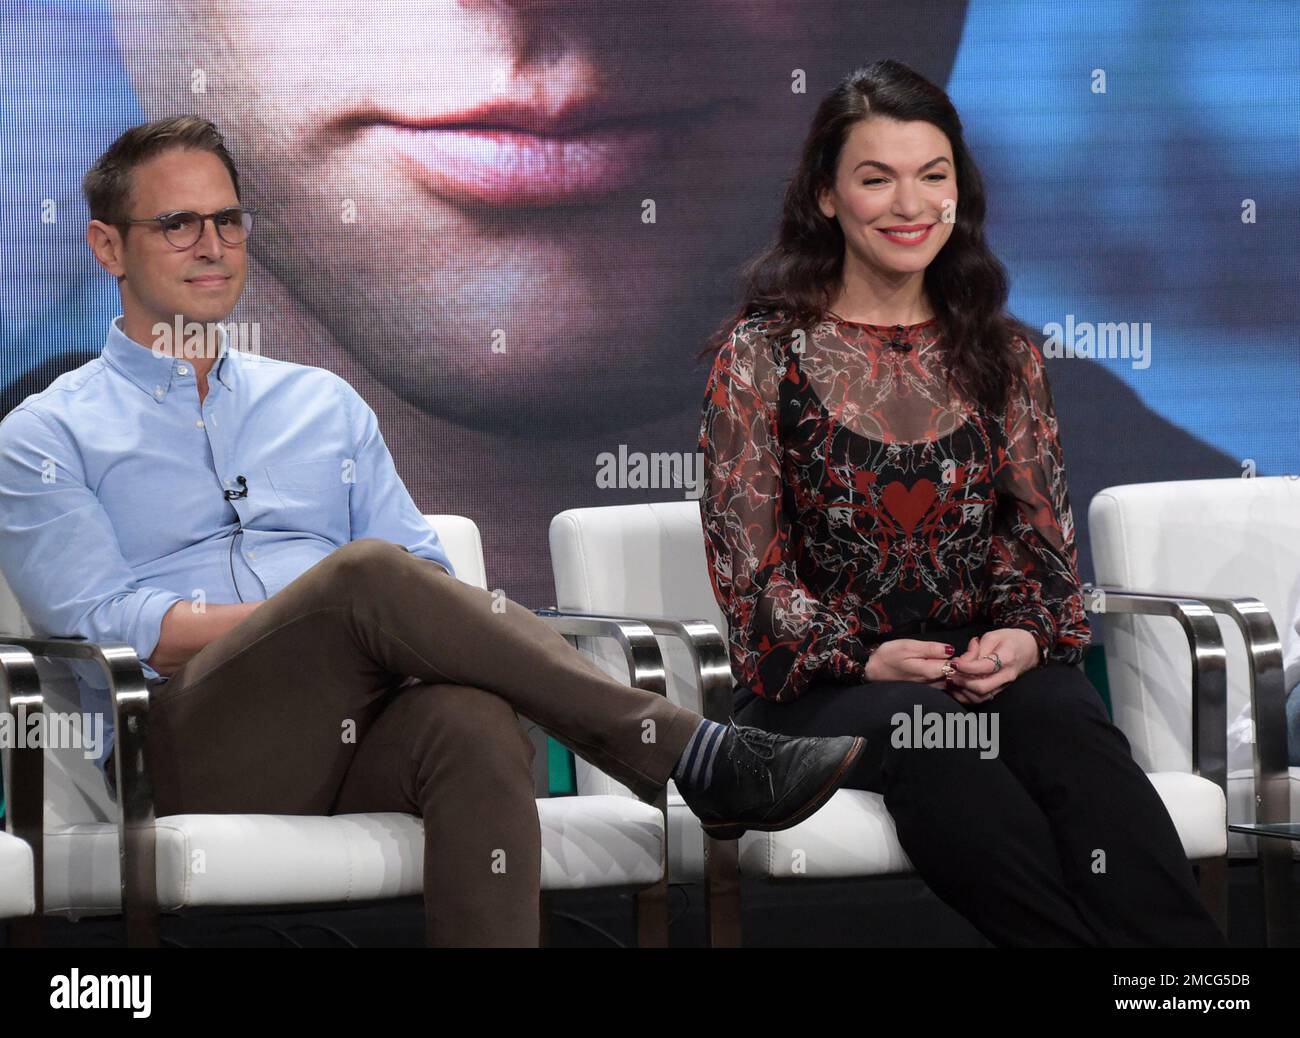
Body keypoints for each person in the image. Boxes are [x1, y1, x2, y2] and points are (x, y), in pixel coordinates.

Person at [0, 116, 866, 948]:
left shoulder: (321, 405)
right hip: (186, 747)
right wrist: (324, 614)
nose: (212, 245)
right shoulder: (45, 436)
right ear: (108, 246)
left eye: (228, 220)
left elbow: (425, 577)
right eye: (176, 224)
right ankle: (693, 752)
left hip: (358, 726)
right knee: (363, 579)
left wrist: (356, 618)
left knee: (470, 722)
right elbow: (106, 624)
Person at [698, 59, 1228, 947]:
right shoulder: (762, 357)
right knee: (941, 741)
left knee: (1067, 721)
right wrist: (864, 658)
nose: (910, 205)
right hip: (818, 690)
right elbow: (753, 589)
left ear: (958, 191)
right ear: (827, 197)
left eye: (932, 177)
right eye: (878, 178)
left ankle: (1192, 987)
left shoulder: (1005, 353)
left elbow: (1039, 555)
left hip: (975, 667)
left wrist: (1022, 637)